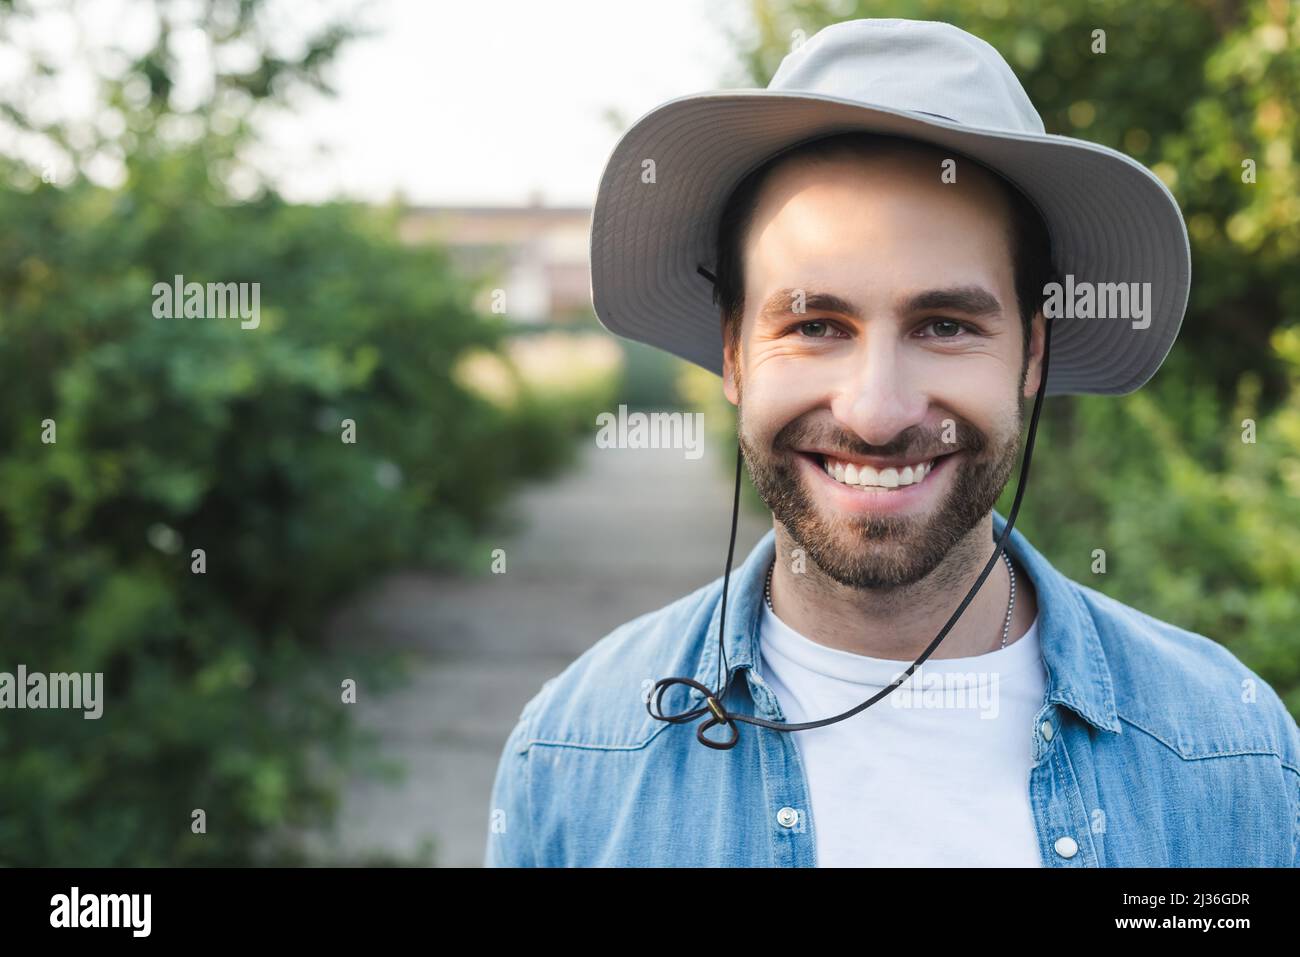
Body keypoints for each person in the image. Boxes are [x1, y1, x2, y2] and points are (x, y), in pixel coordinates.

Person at [484, 18, 1300, 867]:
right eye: (814, 324)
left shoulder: (1233, 759)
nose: (876, 412)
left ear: (1034, 351)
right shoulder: (573, 761)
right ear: (733, 353)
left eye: (944, 325)